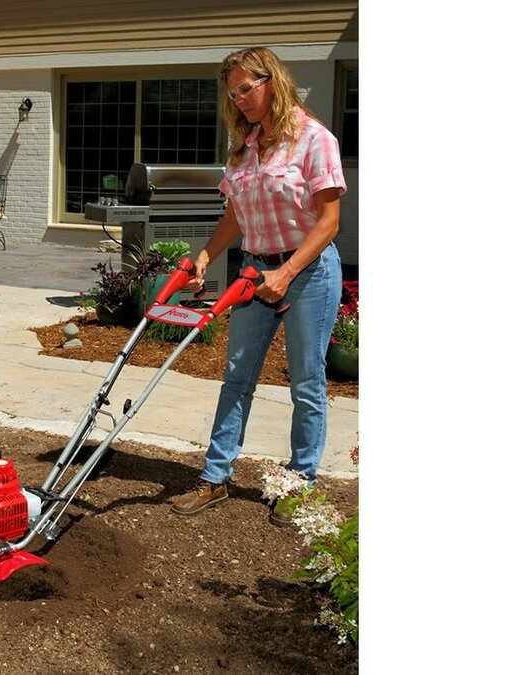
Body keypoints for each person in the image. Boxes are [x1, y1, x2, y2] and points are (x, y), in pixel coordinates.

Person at [170, 46, 346, 526]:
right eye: (234, 93)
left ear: (273, 81)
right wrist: (207, 253)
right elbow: (235, 214)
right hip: (253, 272)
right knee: (237, 376)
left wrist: (286, 273)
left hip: (307, 274)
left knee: (306, 382)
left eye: (248, 88)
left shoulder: (313, 139)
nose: (241, 99)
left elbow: (329, 222)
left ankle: (299, 483)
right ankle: (215, 476)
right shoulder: (244, 146)